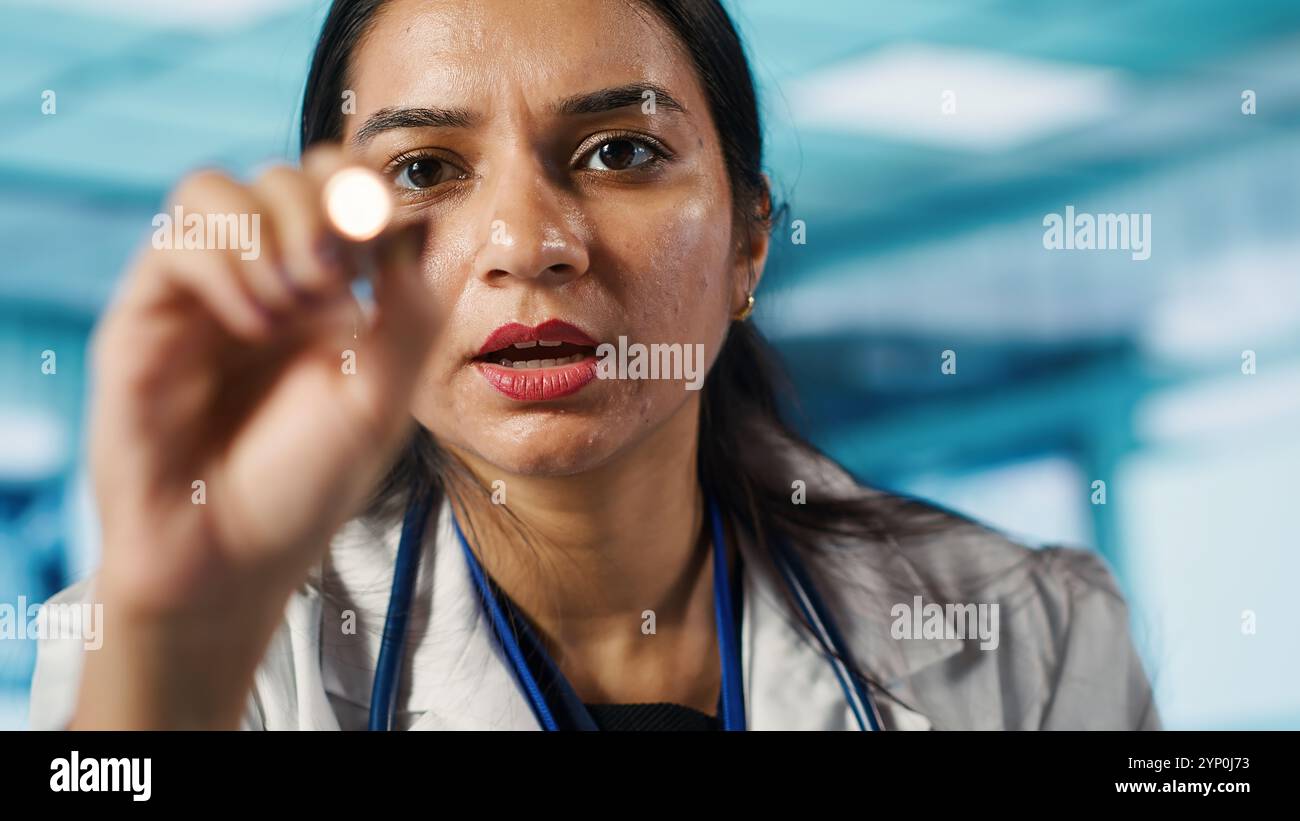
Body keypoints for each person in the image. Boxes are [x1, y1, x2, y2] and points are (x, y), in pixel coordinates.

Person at [29, 0, 1158, 731]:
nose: (528, 243)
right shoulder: (159, 644)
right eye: (425, 168)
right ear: (344, 254)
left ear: (747, 242)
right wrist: (176, 646)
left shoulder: (1033, 636)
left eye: (620, 152)